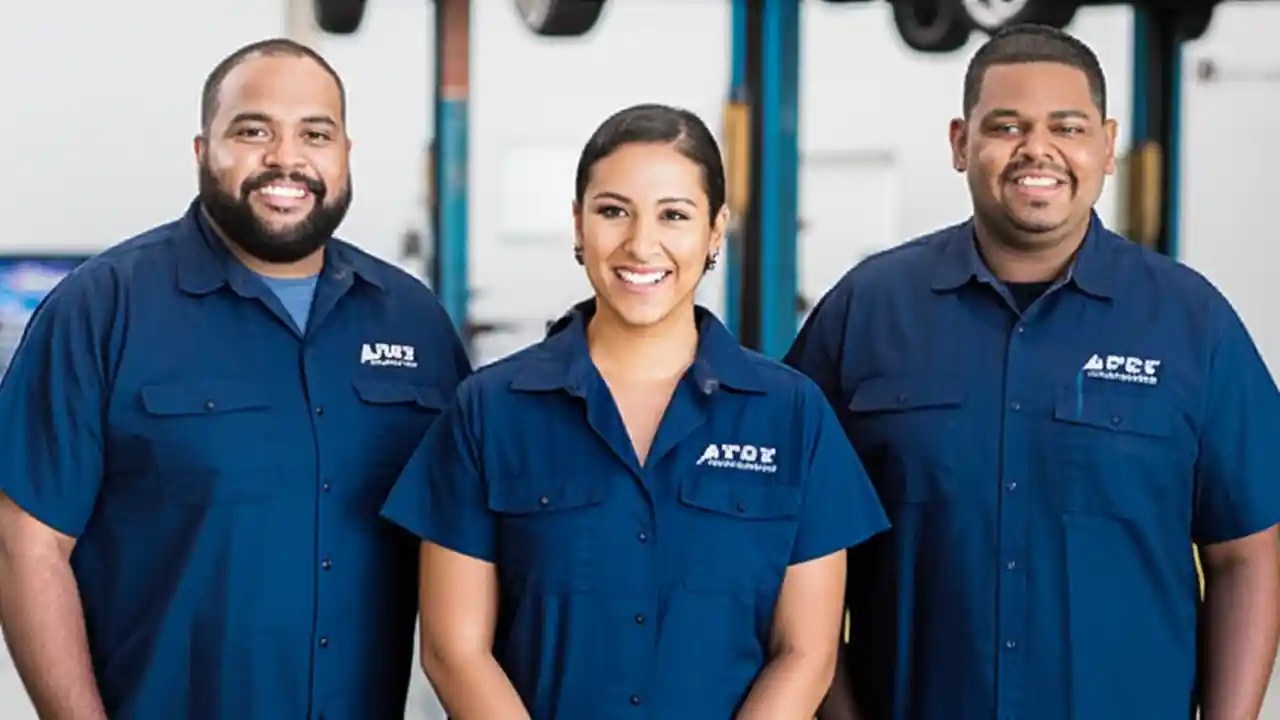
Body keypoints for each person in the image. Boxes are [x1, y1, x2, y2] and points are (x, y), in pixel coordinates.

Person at [787, 23, 1280, 720]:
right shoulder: (865, 312)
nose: (1036, 150)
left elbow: (1248, 554)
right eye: (1006, 126)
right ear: (961, 143)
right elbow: (787, 545)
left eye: (1067, 127)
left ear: (1108, 146)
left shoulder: (1191, 323)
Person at [0, 38, 471, 719]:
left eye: (315, 133)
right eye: (253, 131)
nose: (286, 157)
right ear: (202, 151)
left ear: (344, 153)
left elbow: (471, 541)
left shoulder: (414, 320)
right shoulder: (102, 308)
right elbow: (27, 543)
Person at [379, 103, 890, 718]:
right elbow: (454, 649)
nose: (641, 244)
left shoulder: (791, 416)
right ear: (577, 224)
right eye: (613, 211)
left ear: (715, 230)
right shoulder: (489, 413)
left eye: (674, 215)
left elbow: (805, 652)